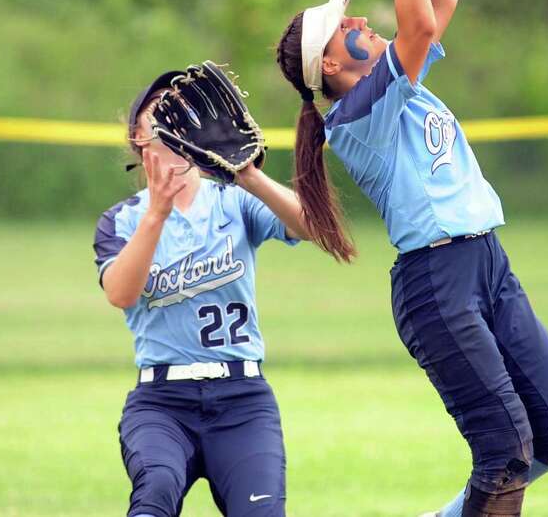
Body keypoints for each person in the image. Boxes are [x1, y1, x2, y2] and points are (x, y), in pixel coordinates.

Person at [274, 0, 548, 517]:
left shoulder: (398, 82)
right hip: (436, 286)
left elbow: (442, 4)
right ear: (327, 67)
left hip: (485, 265)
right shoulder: (356, 116)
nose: (358, 24)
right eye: (344, 29)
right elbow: (417, 23)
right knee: (504, 453)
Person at [93, 73, 353, 517]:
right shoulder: (121, 221)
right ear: (138, 135)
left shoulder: (232, 200)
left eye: (183, 105)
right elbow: (120, 292)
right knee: (154, 491)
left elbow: (316, 227)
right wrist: (157, 213)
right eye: (161, 106)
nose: (175, 113)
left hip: (242, 399)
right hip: (161, 404)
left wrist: (249, 177)